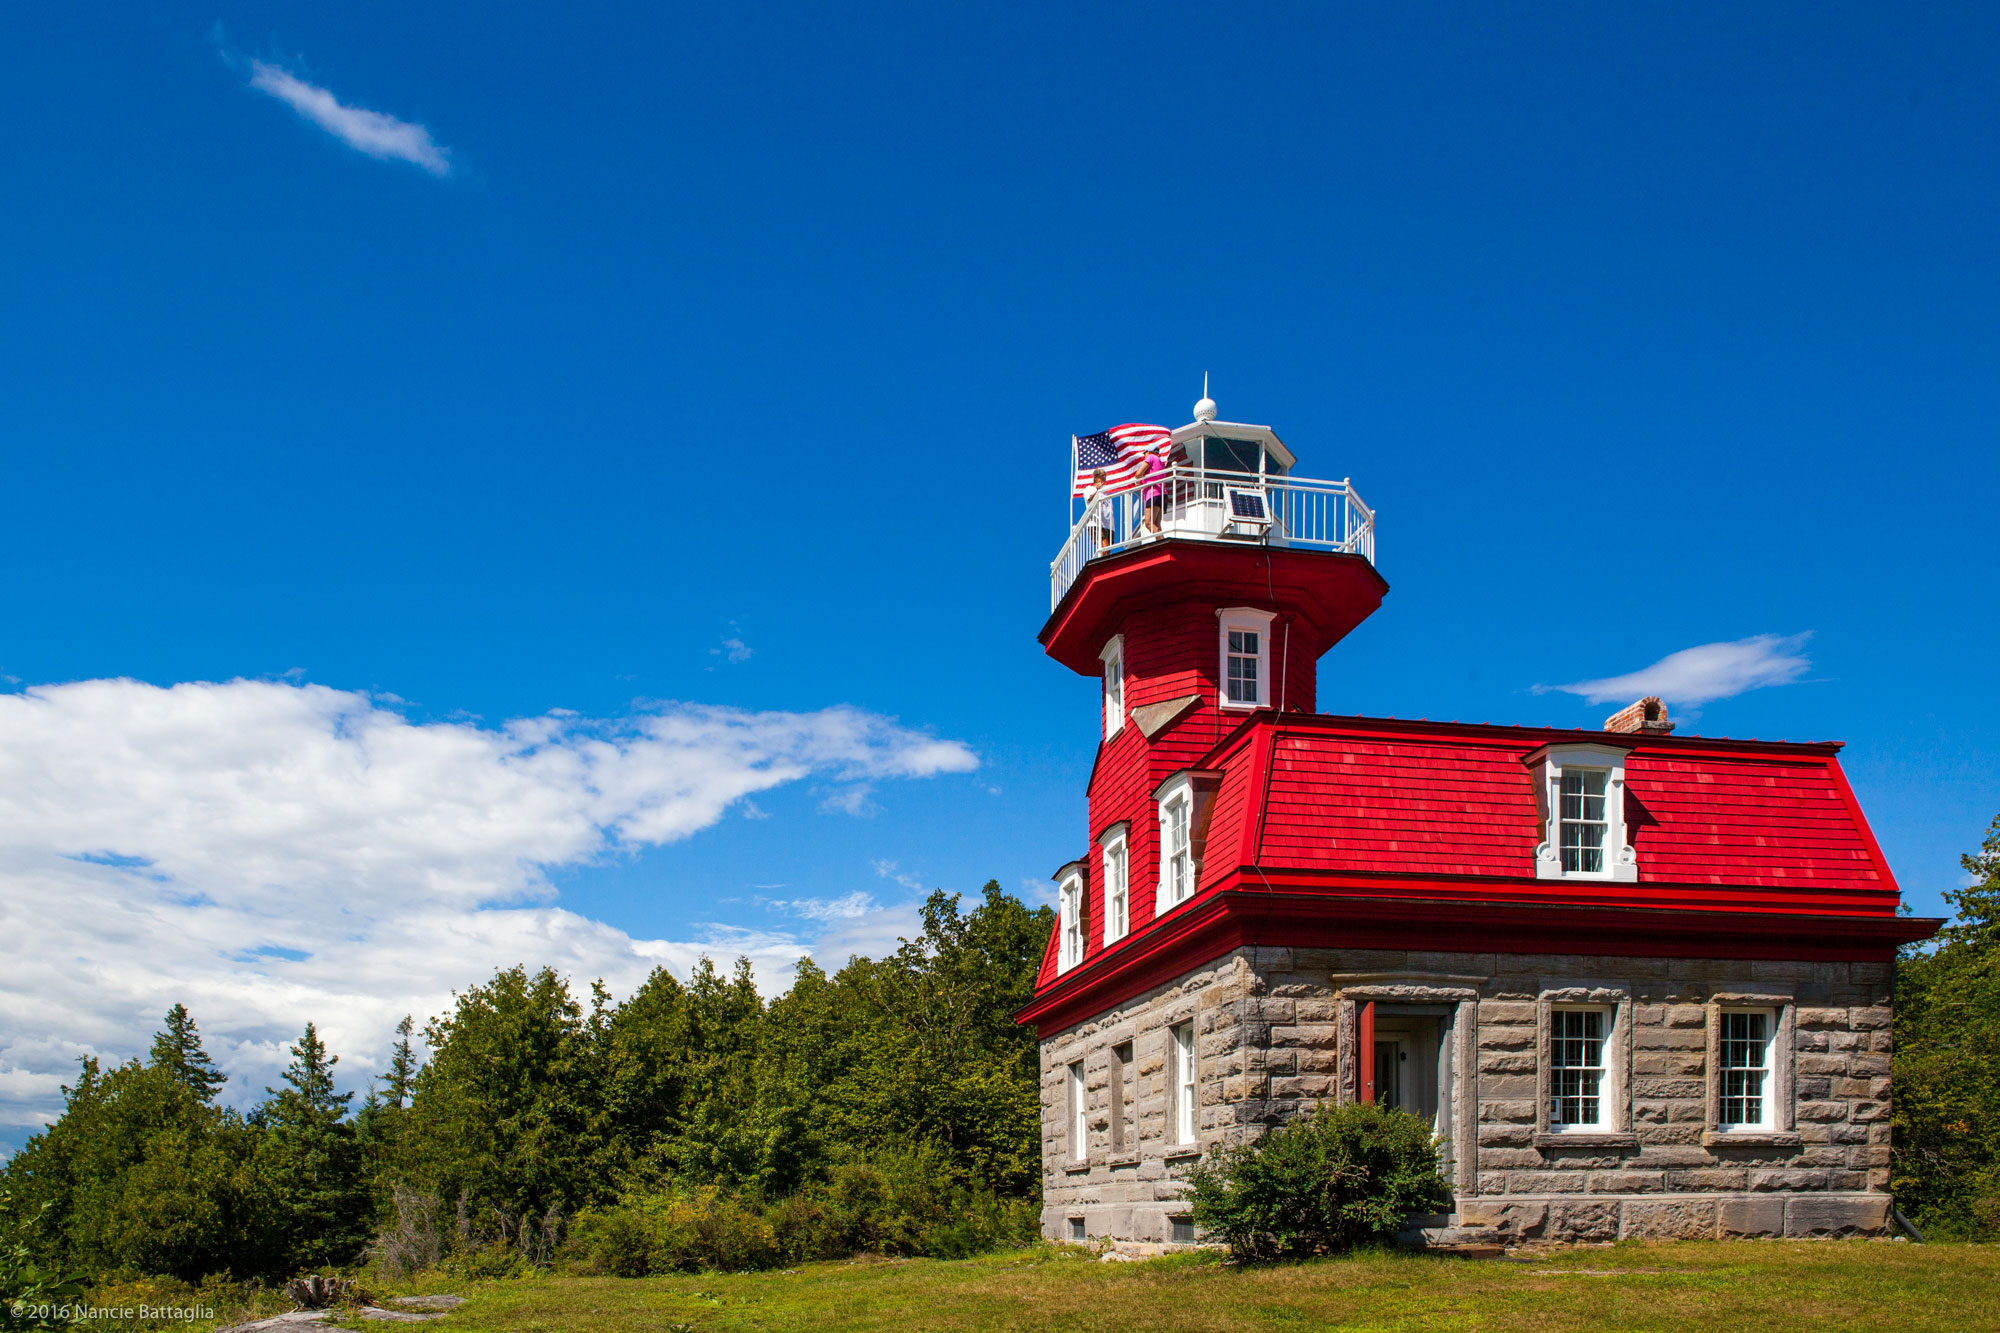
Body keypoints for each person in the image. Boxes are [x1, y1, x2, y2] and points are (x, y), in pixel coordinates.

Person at [1085, 468, 1116, 553]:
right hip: (1096, 523)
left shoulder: (1105, 493)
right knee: (1104, 546)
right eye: (1102, 476)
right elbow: (1090, 499)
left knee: (1108, 550)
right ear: (1095, 477)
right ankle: (1103, 563)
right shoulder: (1089, 489)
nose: (1104, 478)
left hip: (1108, 525)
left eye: (1105, 476)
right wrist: (1098, 490)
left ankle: (1105, 564)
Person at [1140, 448, 1167, 537]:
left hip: (1153, 493)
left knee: (1148, 523)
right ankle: (1161, 544)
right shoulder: (1160, 463)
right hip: (1162, 494)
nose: (1144, 456)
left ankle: (1162, 542)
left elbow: (1138, 473)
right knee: (1157, 524)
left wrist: (1138, 477)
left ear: (1148, 452)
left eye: (1145, 453)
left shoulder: (1151, 457)